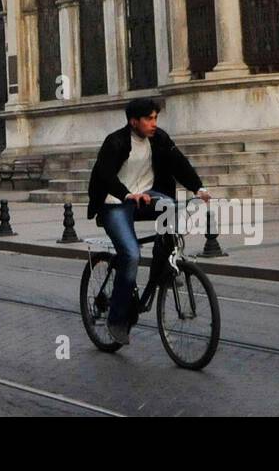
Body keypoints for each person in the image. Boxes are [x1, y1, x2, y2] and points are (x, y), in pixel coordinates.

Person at [87, 98, 210, 344]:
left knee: (171, 208)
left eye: (156, 118)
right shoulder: (116, 141)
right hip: (115, 202)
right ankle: (118, 319)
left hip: (144, 197)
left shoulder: (159, 138)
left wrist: (198, 188)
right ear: (134, 121)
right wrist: (126, 194)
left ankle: (162, 266)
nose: (154, 123)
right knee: (131, 254)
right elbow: (104, 175)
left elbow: (179, 163)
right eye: (149, 119)